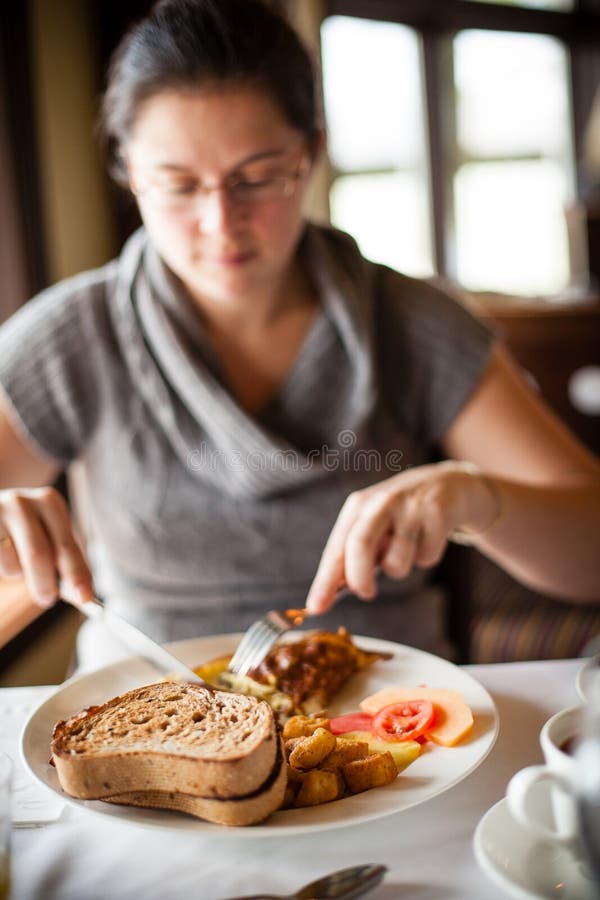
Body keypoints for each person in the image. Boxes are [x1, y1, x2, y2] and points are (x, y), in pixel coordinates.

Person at [0, 0, 598, 669]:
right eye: (177, 185)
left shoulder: (411, 324)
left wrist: (479, 496)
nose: (222, 222)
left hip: (390, 720)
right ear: (131, 172)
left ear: (313, 152)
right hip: (143, 714)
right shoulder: (73, 337)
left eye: (258, 178)